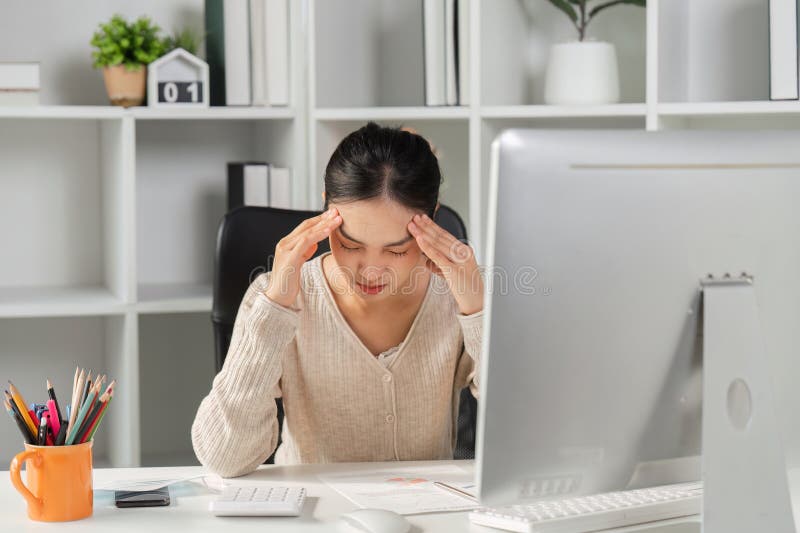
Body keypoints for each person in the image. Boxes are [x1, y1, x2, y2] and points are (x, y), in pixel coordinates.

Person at [191, 122, 484, 477]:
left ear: (433, 219)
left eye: (396, 250)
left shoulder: (456, 296)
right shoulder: (277, 296)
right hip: (313, 515)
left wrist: (478, 310)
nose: (370, 271)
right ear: (326, 209)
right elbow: (225, 458)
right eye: (351, 244)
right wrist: (275, 309)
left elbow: (527, 427)